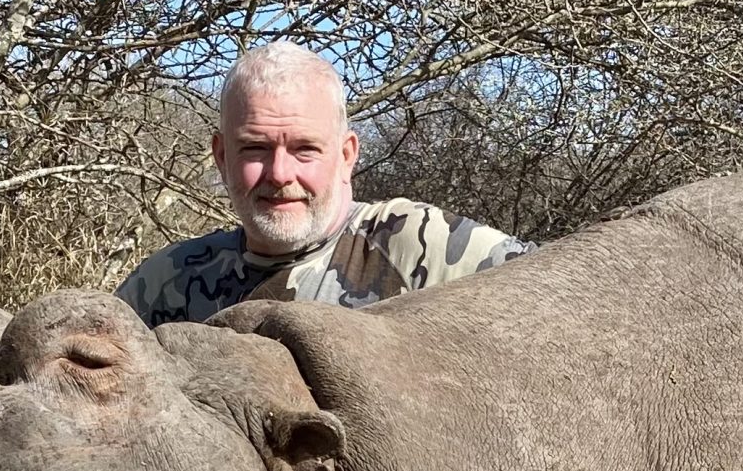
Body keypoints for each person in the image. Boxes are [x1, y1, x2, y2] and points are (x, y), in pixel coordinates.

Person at [118, 43, 532, 328]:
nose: (279, 173)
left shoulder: (417, 242)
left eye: (304, 149)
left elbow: (563, 294)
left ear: (346, 155)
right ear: (222, 157)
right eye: (255, 149)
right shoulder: (165, 284)